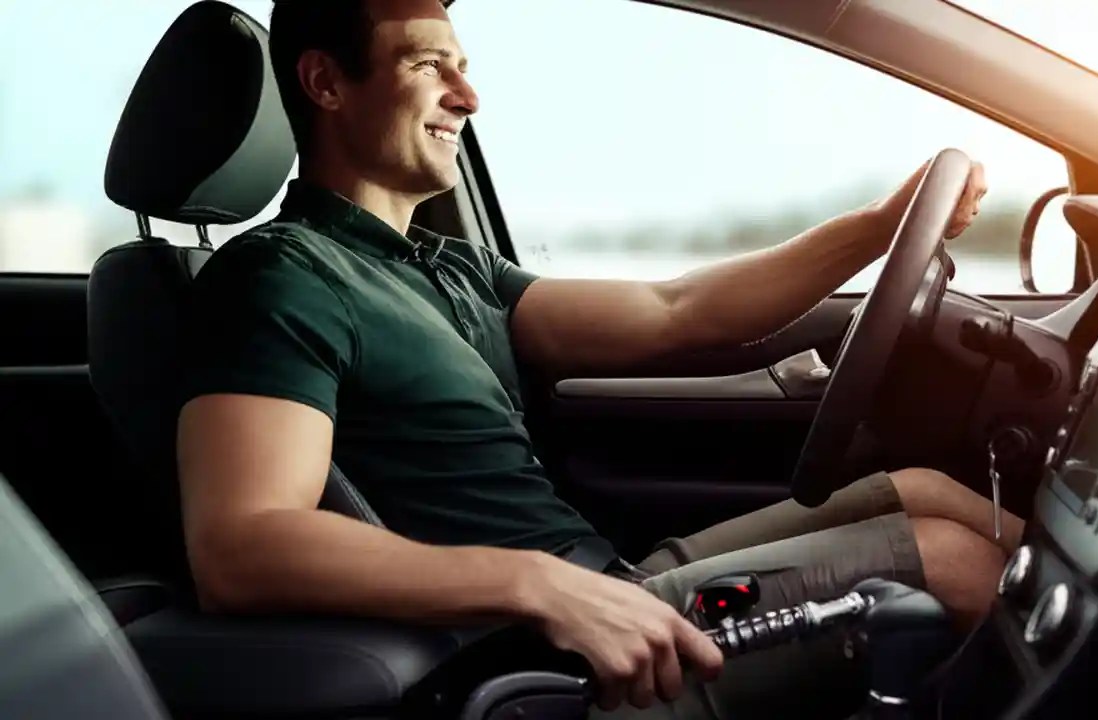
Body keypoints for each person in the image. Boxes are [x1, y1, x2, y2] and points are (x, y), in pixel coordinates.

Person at [175, 0, 1027, 717]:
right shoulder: (281, 276)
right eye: (428, 65)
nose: (467, 95)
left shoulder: (450, 268)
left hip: (605, 584)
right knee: (950, 560)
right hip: (536, 650)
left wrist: (880, 225)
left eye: (463, 65)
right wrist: (537, 586)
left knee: (927, 491)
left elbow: (679, 310)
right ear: (326, 83)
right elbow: (242, 548)